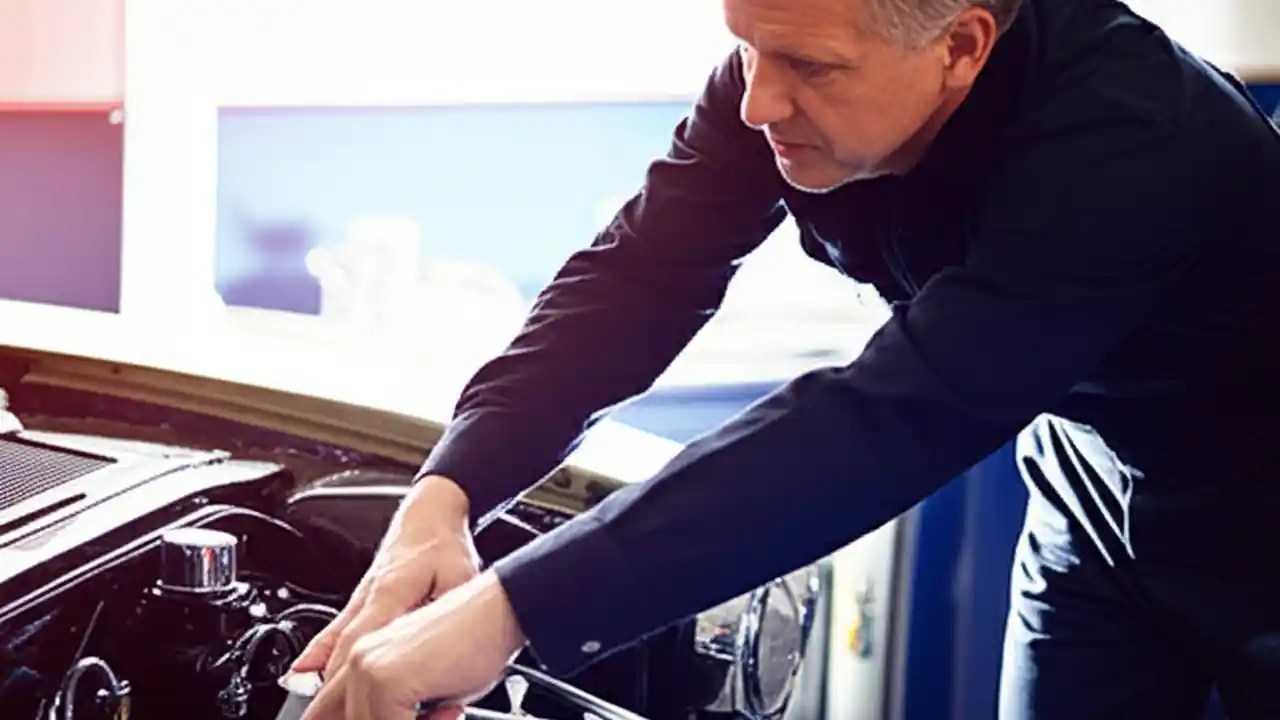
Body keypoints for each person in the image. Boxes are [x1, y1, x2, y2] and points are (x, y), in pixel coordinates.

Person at [295, 0, 1280, 717]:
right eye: (743, 46)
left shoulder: (1127, 141)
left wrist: (512, 609)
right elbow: (640, 274)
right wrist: (448, 494)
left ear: (960, 47)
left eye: (808, 68)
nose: (756, 100)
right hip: (1086, 493)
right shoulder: (789, 58)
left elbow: (898, 410)